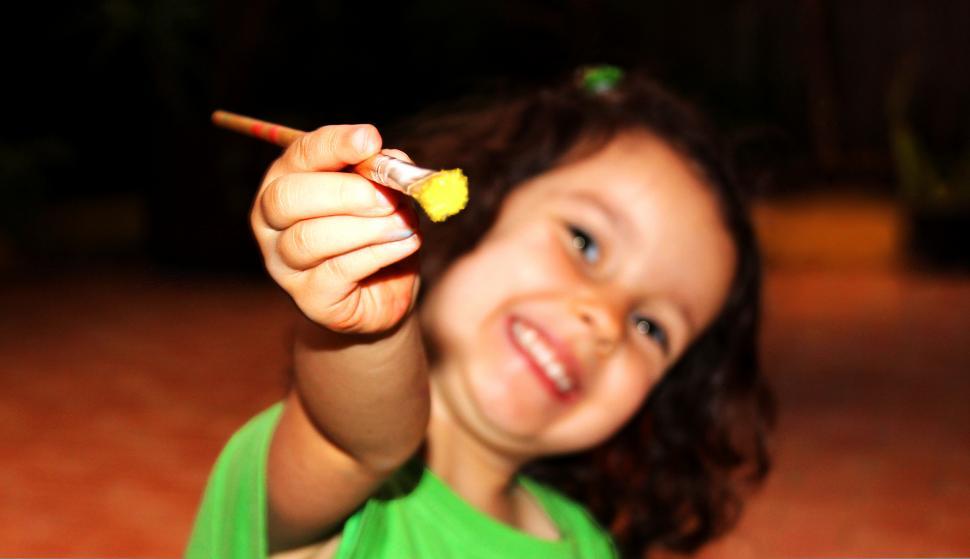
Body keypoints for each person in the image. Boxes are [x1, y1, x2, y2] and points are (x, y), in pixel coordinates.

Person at [186, 68, 773, 559]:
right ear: (480, 211)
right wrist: (370, 325)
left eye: (653, 327)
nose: (605, 318)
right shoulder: (319, 480)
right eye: (585, 243)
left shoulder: (588, 543)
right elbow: (360, 444)